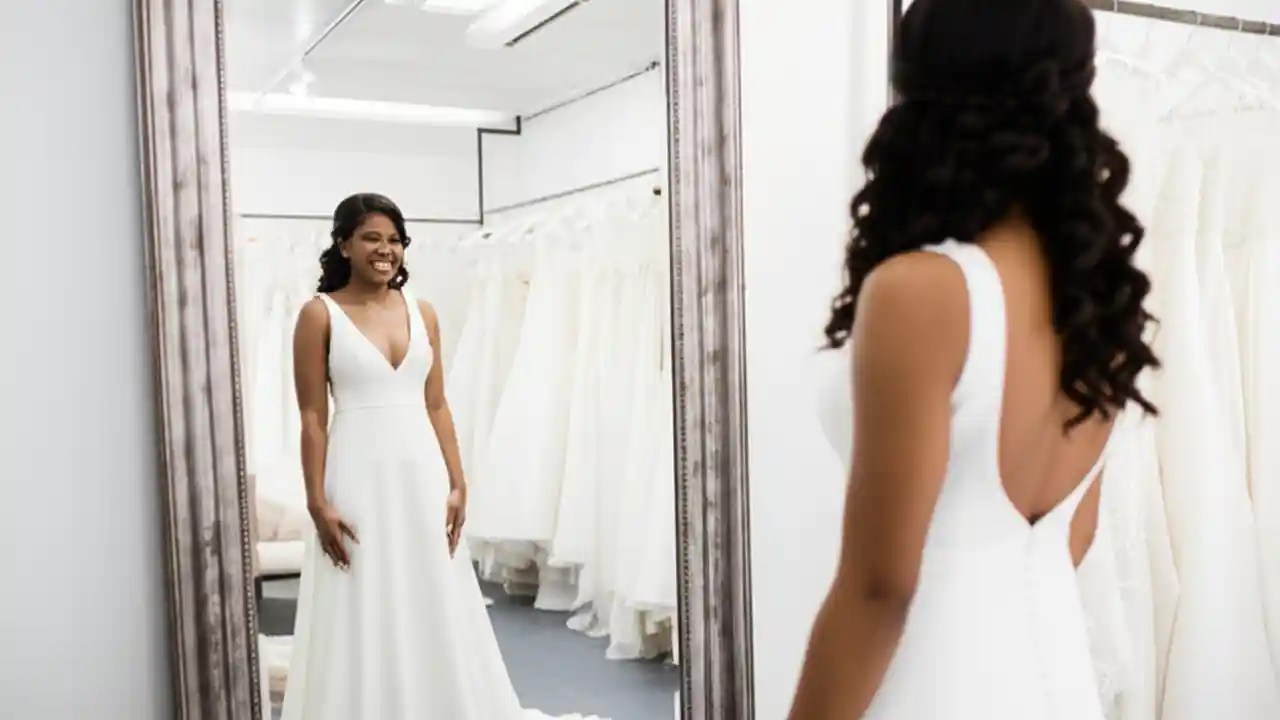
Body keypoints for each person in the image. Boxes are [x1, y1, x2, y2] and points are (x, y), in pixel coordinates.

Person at [787, 1, 1160, 718]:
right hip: (1056, 679)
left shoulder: (924, 291)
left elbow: (880, 586)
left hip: (933, 686)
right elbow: (1070, 539)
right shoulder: (1097, 297)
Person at [280, 193, 594, 719]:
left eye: (395, 240)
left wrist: (457, 480)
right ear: (344, 245)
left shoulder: (422, 311)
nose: (386, 250)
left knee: (431, 594)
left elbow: (437, 403)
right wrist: (316, 501)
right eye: (372, 238)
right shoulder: (319, 315)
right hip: (357, 476)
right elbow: (312, 417)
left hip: (421, 475)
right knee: (365, 596)